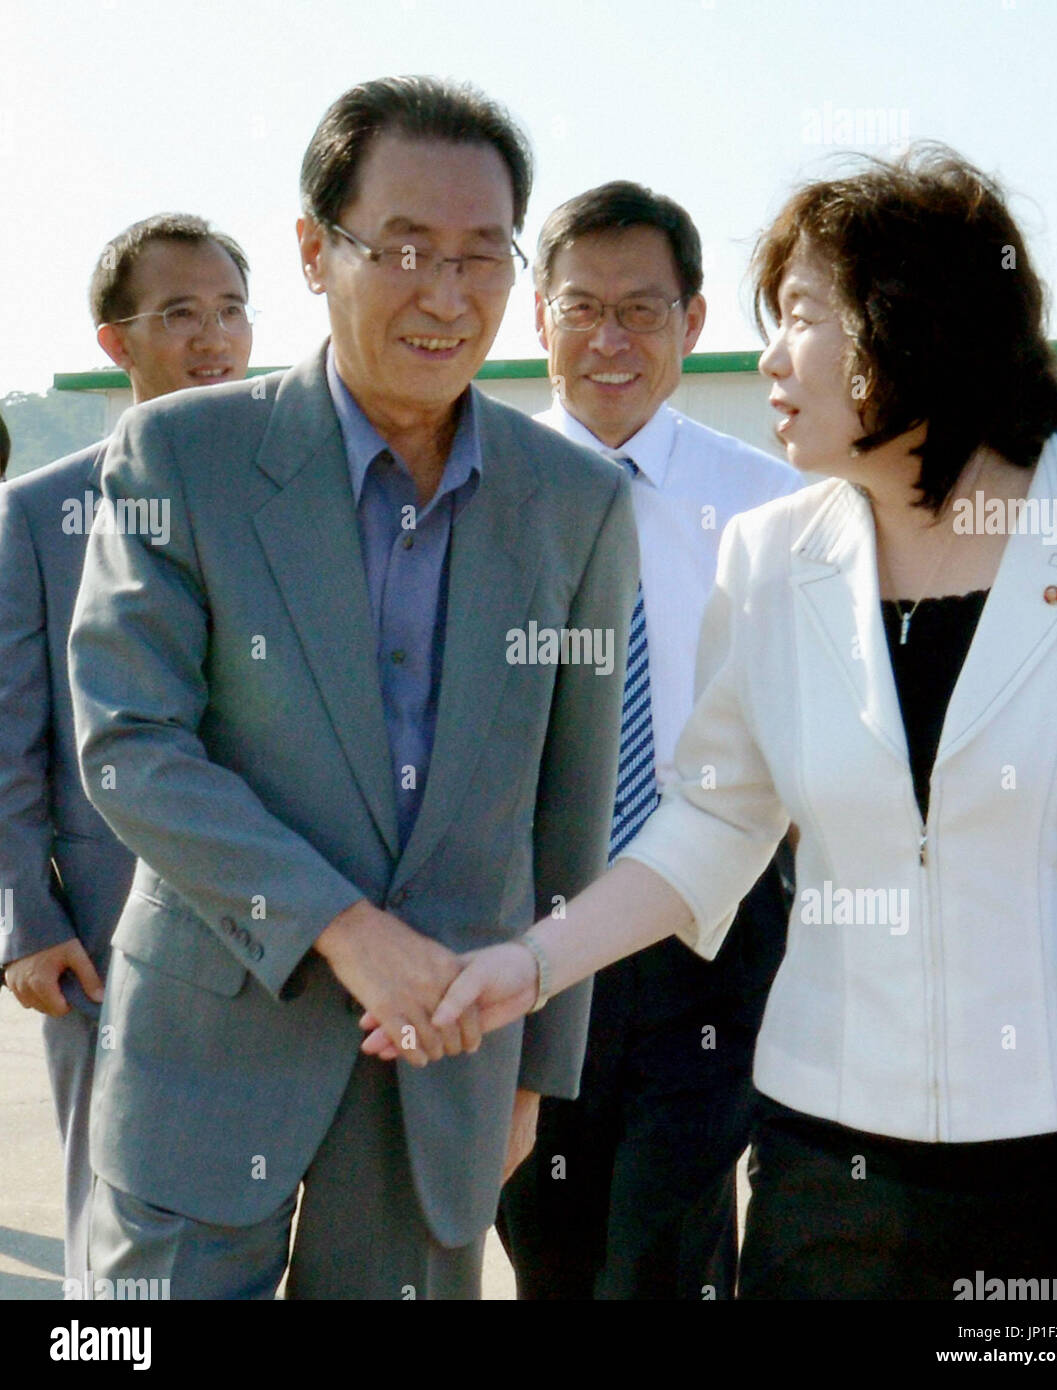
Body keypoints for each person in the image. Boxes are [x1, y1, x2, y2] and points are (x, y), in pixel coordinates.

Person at [386, 145, 1057, 1300]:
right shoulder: (776, 555)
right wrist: (526, 968)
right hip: (834, 1164)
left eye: (797, 317)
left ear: (908, 321)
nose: (766, 358)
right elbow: (711, 823)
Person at [68, 76, 637, 1300]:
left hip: (444, 1072)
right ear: (314, 252)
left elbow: (569, 809)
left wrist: (534, 1072)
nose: (446, 295)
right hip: (202, 1062)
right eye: (405, 249)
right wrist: (342, 927)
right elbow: (130, 743)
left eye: (482, 256)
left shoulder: (577, 503)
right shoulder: (181, 455)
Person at [498, 180, 798, 1300]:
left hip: (710, 927)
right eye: (581, 309)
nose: (609, 340)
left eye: (642, 309)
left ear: (693, 324)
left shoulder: (771, 509)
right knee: (550, 1247)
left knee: (666, 1252)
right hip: (527, 924)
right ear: (538, 320)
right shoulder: (472, 492)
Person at [0, 213, 253, 1286]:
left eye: (233, 311)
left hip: (294, 943)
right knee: (115, 1228)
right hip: (101, 948)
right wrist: (27, 921)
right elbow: (9, 743)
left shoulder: (305, 502)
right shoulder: (39, 516)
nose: (215, 340)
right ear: (116, 341)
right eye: (180, 314)